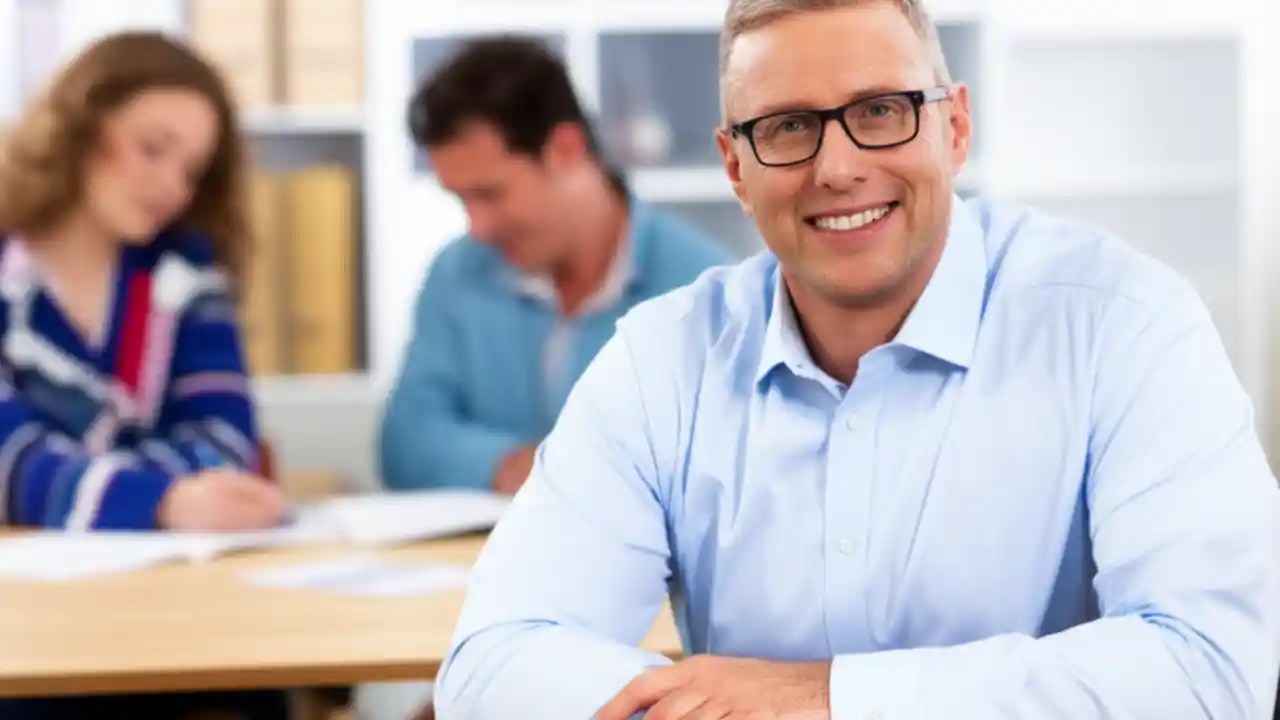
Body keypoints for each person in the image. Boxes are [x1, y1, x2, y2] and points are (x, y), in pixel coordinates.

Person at [432, 1, 1280, 718]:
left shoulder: (1125, 326)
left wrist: (827, 698)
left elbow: (1210, 671)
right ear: (735, 164)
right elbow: (495, 662)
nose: (837, 168)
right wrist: (715, 703)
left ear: (954, 126)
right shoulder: (663, 360)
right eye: (788, 127)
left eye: (881, 110)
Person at [0, 32, 287, 719]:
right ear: (78, 125)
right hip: (25, 625)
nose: (170, 185)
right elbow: (7, 460)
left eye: (192, 168)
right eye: (152, 148)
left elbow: (222, 442)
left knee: (256, 692)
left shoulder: (186, 272)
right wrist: (165, 501)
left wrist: (72, 485)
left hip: (171, 608)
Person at [378, 37, 729, 496]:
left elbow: (718, 468)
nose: (477, 226)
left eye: (490, 194)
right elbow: (404, 442)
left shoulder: (705, 289)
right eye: (461, 199)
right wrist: (514, 465)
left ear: (565, 149)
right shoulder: (457, 273)